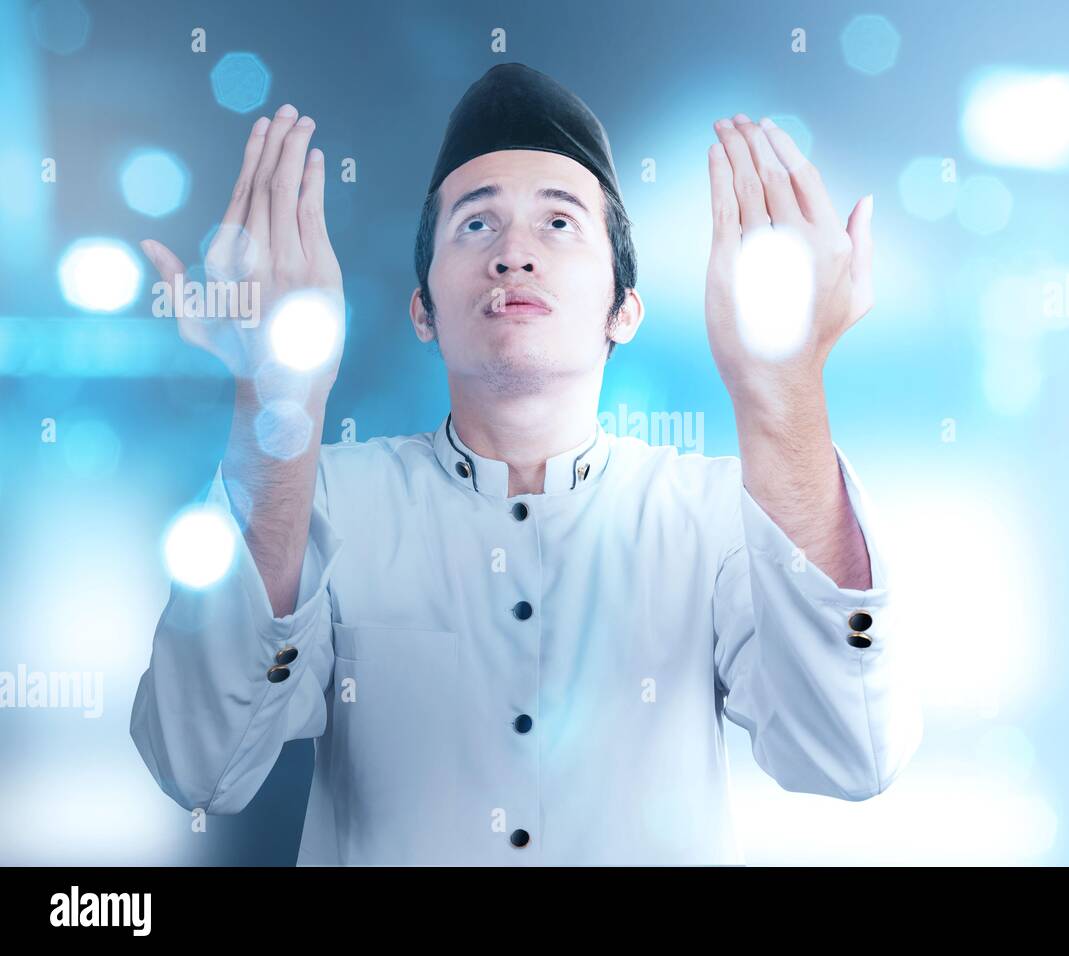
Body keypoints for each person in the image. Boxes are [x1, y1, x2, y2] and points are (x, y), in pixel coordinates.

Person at [130, 62, 923, 865]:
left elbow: (850, 751)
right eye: (475, 225)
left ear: (624, 308)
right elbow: (202, 762)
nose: (513, 252)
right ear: (423, 309)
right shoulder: (326, 496)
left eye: (559, 223)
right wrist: (276, 401)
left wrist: (782, 388)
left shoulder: (714, 515)